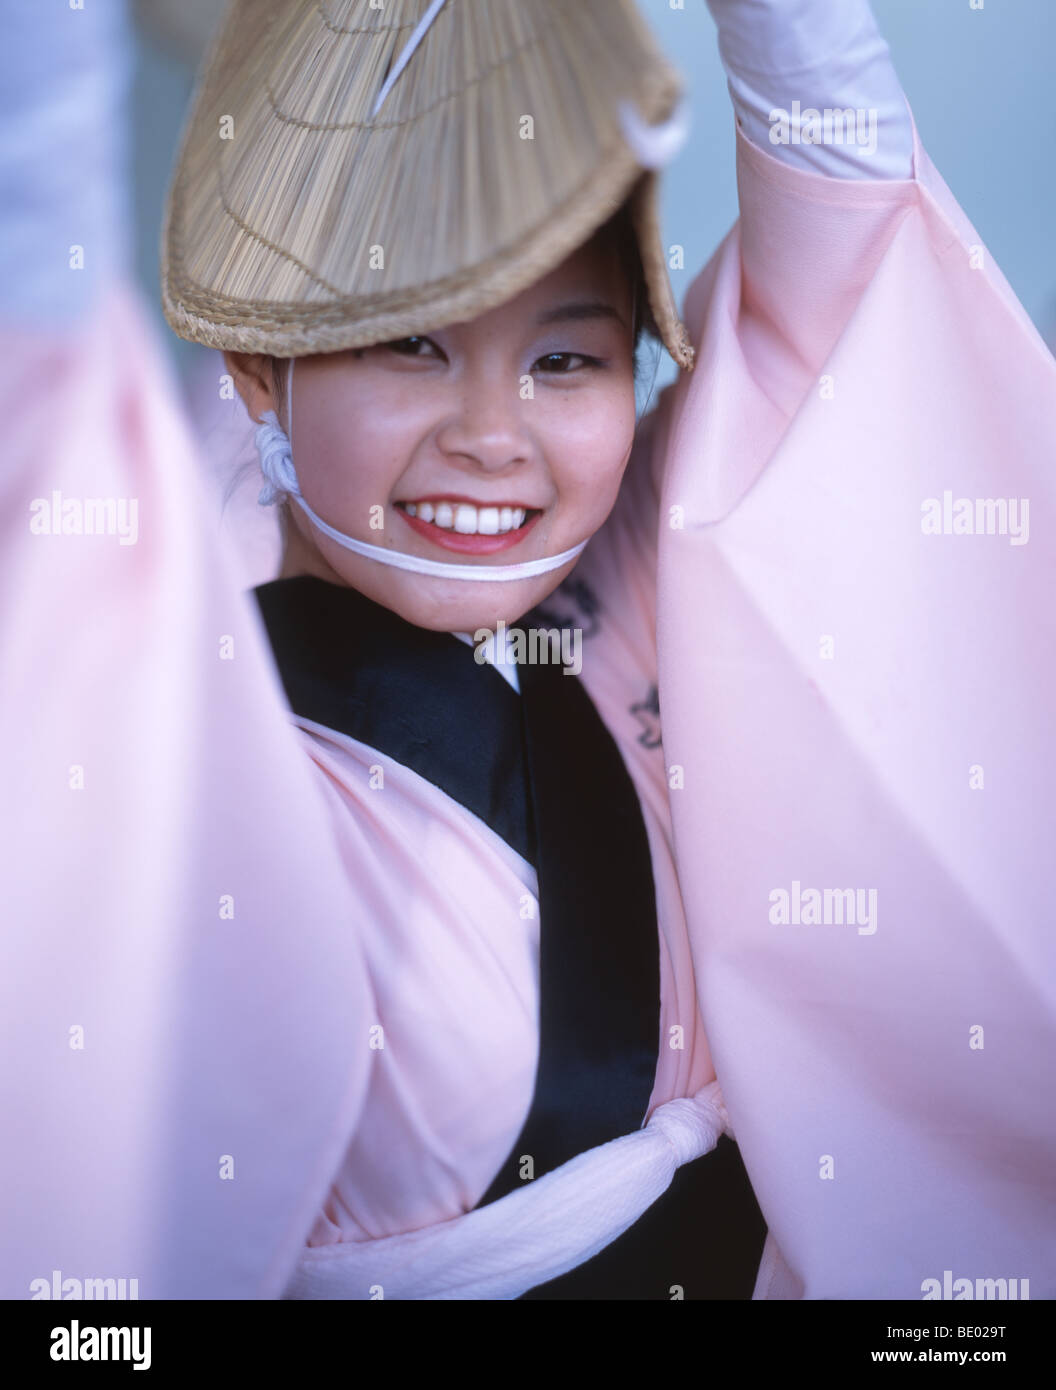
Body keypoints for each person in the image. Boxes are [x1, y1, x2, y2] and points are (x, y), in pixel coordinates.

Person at [2, 0, 1054, 1302]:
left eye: (567, 358)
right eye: (410, 341)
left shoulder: (647, 564)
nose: (495, 435)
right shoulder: (186, 712)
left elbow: (847, 217)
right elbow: (30, 335)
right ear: (262, 371)